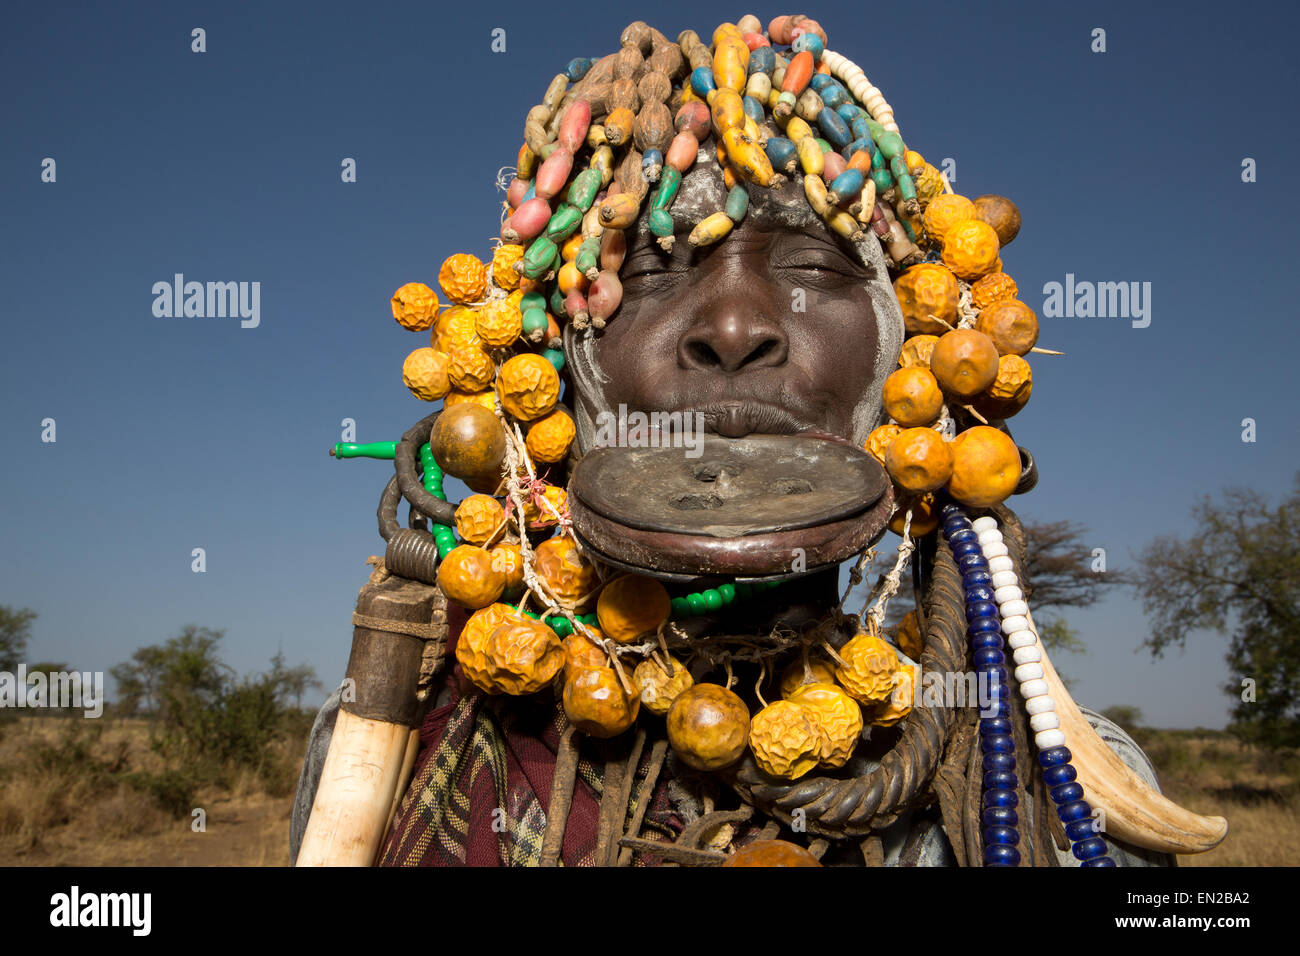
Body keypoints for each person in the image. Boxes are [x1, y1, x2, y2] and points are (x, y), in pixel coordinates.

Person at [291, 14, 1223, 867]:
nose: (735, 328)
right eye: (650, 272)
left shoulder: (1053, 794)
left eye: (816, 266)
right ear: (556, 356)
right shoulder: (394, 734)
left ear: (923, 367)